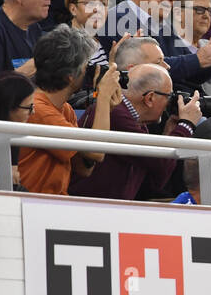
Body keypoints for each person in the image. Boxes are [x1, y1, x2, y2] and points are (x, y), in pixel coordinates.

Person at [67, 62, 201, 200]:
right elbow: (160, 163)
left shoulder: (135, 120)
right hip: (87, 209)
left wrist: (169, 134)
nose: (169, 103)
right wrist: (186, 125)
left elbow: (155, 182)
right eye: (169, 96)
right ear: (150, 98)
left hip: (105, 208)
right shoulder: (115, 114)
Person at [18, 25, 120, 194]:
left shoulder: (64, 109)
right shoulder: (37, 109)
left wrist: (105, 107)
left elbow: (83, 168)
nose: (89, 73)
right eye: (86, 67)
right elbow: (97, 152)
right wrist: (102, 98)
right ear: (69, 76)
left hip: (54, 203)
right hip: (30, 205)